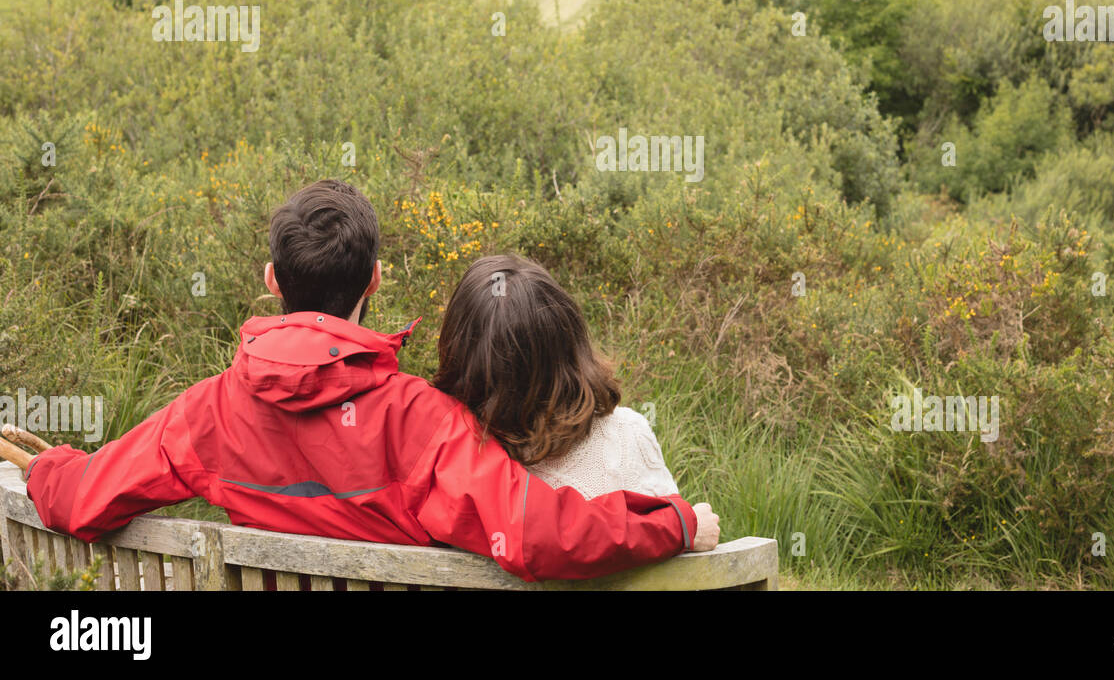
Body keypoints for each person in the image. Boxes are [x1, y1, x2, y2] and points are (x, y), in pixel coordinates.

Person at [0, 180, 719, 581]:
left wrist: (45, 466)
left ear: (271, 280)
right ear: (375, 279)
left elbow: (83, 499)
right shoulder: (422, 421)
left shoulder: (208, 414)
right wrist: (678, 522)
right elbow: (538, 536)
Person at [435, 254, 683, 502]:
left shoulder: (440, 450)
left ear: (455, 348)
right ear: (570, 342)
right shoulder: (626, 437)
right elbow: (673, 528)